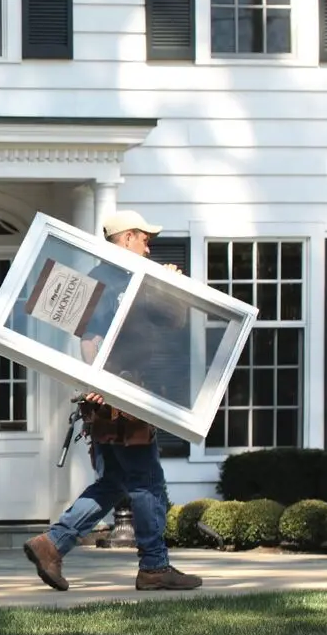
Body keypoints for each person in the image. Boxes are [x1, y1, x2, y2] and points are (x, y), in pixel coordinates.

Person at [22, 209, 203, 593]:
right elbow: (91, 341)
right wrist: (103, 382)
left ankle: (52, 544)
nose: (148, 246)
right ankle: (154, 566)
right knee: (147, 482)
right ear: (125, 238)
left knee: (116, 480)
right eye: (143, 238)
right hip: (123, 398)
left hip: (112, 398)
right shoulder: (118, 281)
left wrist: (170, 287)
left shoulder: (118, 280)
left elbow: (173, 322)